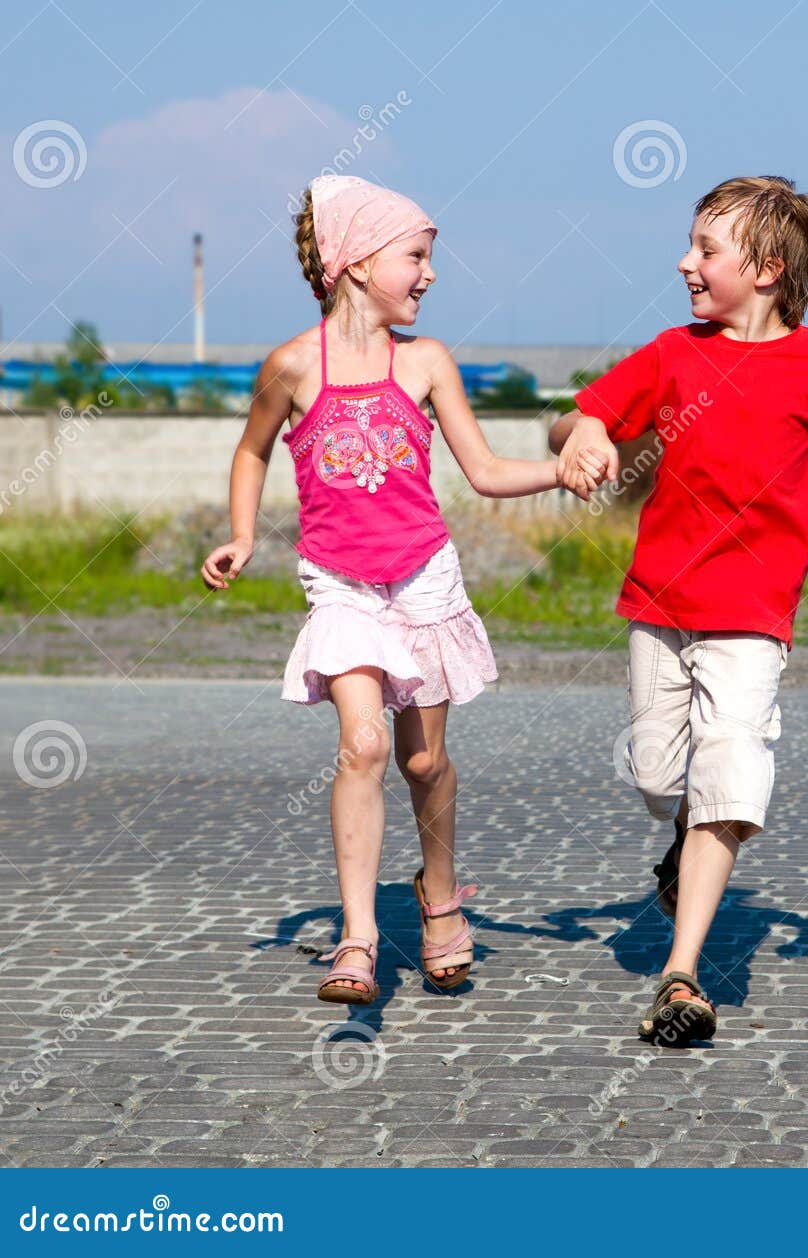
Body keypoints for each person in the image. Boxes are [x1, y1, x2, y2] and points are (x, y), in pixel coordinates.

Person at [202, 175, 602, 1004]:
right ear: (355, 262)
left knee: (424, 760)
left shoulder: (424, 362)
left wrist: (559, 471)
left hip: (423, 580)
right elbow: (252, 451)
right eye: (414, 258)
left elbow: (485, 471)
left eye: (428, 261)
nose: (428, 276)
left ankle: (440, 894)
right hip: (342, 587)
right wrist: (243, 534)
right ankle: (358, 939)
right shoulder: (291, 366)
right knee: (365, 747)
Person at [549, 175, 808, 1042]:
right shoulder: (674, 353)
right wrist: (588, 433)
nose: (686, 262)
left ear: (769, 268)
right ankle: (676, 844)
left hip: (755, 615)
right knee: (658, 777)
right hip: (660, 605)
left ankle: (681, 976)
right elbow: (573, 422)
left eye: (707, 249)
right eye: (692, 244)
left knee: (729, 767)